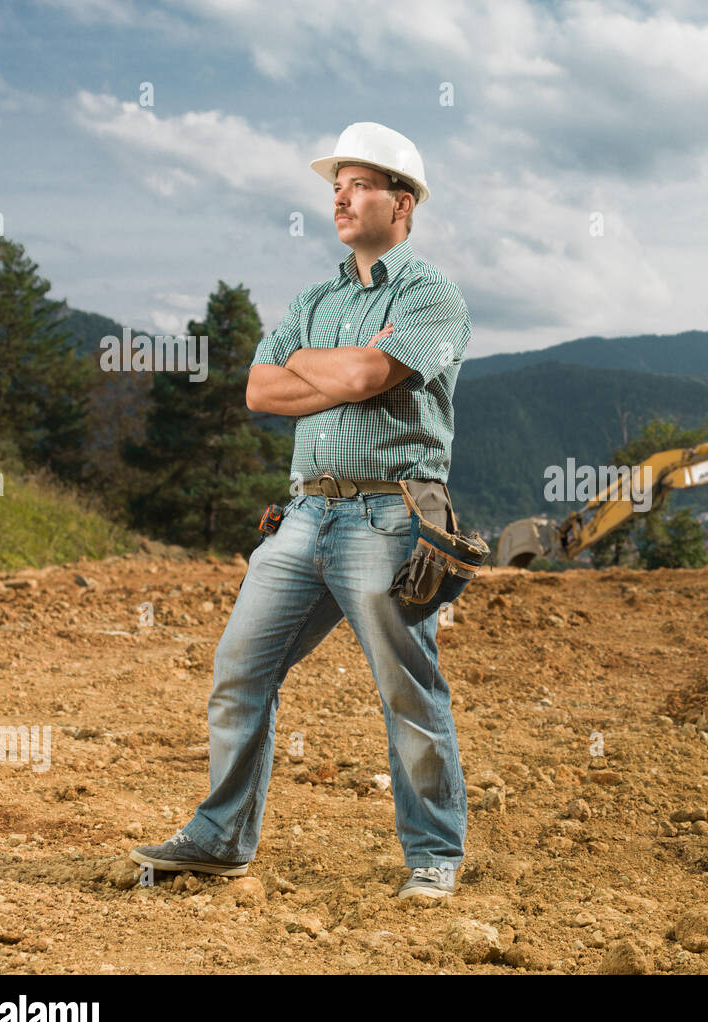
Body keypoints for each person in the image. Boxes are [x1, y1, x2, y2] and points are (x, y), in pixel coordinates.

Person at [130, 122, 472, 901]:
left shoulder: (431, 295)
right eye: (336, 187)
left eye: (358, 185)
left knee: (406, 689)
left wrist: (321, 370)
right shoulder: (315, 297)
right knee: (240, 672)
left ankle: (433, 856)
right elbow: (260, 388)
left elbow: (361, 372)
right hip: (301, 518)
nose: (341, 199)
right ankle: (220, 839)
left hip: (389, 519)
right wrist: (342, 372)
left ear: (403, 202)